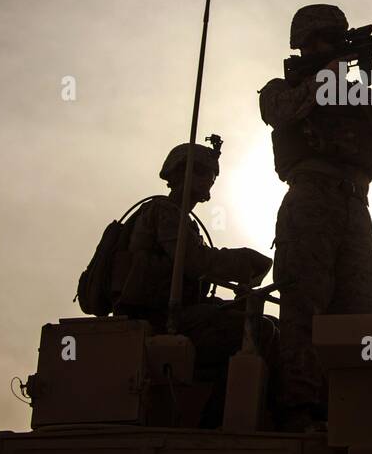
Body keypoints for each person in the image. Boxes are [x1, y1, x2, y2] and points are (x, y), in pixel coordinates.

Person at [258, 4, 372, 432]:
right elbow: (279, 112)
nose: (333, 46)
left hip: (357, 204)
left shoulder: (351, 90)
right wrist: (329, 74)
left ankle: (344, 409)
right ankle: (299, 410)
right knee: (305, 307)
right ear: (307, 44)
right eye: (327, 39)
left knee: (356, 312)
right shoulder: (283, 87)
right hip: (311, 198)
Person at [113, 141, 275, 426]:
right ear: (176, 173)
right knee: (256, 329)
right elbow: (192, 261)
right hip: (159, 317)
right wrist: (244, 261)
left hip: (180, 313)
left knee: (261, 323)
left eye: (210, 174)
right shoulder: (163, 212)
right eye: (199, 171)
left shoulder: (182, 220)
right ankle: (216, 423)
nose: (206, 179)